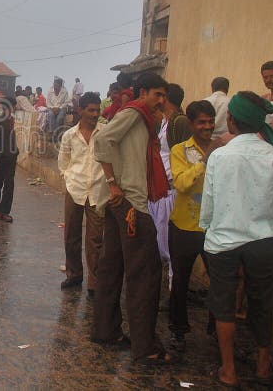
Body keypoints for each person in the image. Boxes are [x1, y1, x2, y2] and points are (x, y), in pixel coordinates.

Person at [200, 91, 273, 387]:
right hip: (262, 242)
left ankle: (229, 370)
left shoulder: (220, 156)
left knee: (224, 305)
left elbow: (210, 201)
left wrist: (207, 226)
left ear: (232, 120)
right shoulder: (272, 153)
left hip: (223, 242)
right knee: (261, 302)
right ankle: (262, 365)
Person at [91, 72, 174, 365]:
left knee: (112, 267)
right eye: (156, 94)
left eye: (164, 95)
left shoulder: (142, 117)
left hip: (121, 200)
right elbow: (101, 141)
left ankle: (106, 330)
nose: (160, 101)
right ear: (143, 93)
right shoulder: (135, 113)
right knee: (145, 274)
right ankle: (145, 346)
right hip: (129, 201)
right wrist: (113, 181)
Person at [167, 100, 222, 353]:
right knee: (180, 281)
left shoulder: (223, 149)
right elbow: (181, 183)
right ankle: (178, 331)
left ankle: (217, 330)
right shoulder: (180, 150)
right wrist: (204, 161)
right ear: (191, 124)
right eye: (202, 122)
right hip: (185, 225)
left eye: (210, 122)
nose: (207, 127)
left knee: (220, 281)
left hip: (214, 227)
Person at [58, 92, 107, 296]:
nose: (95, 114)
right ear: (80, 111)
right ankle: (74, 274)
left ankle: (94, 283)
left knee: (95, 239)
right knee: (71, 235)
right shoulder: (69, 135)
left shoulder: (105, 133)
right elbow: (64, 162)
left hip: (98, 191)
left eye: (97, 110)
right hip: (75, 189)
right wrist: (69, 179)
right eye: (91, 110)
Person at [149, 83, 191, 277]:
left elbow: (187, 156)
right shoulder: (166, 121)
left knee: (169, 245)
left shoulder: (179, 122)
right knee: (160, 241)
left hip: (172, 188)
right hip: (162, 188)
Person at [0, 96, 19, 223]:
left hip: (11, 157)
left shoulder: (10, 119)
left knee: (9, 185)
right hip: (0, 157)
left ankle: (4, 211)